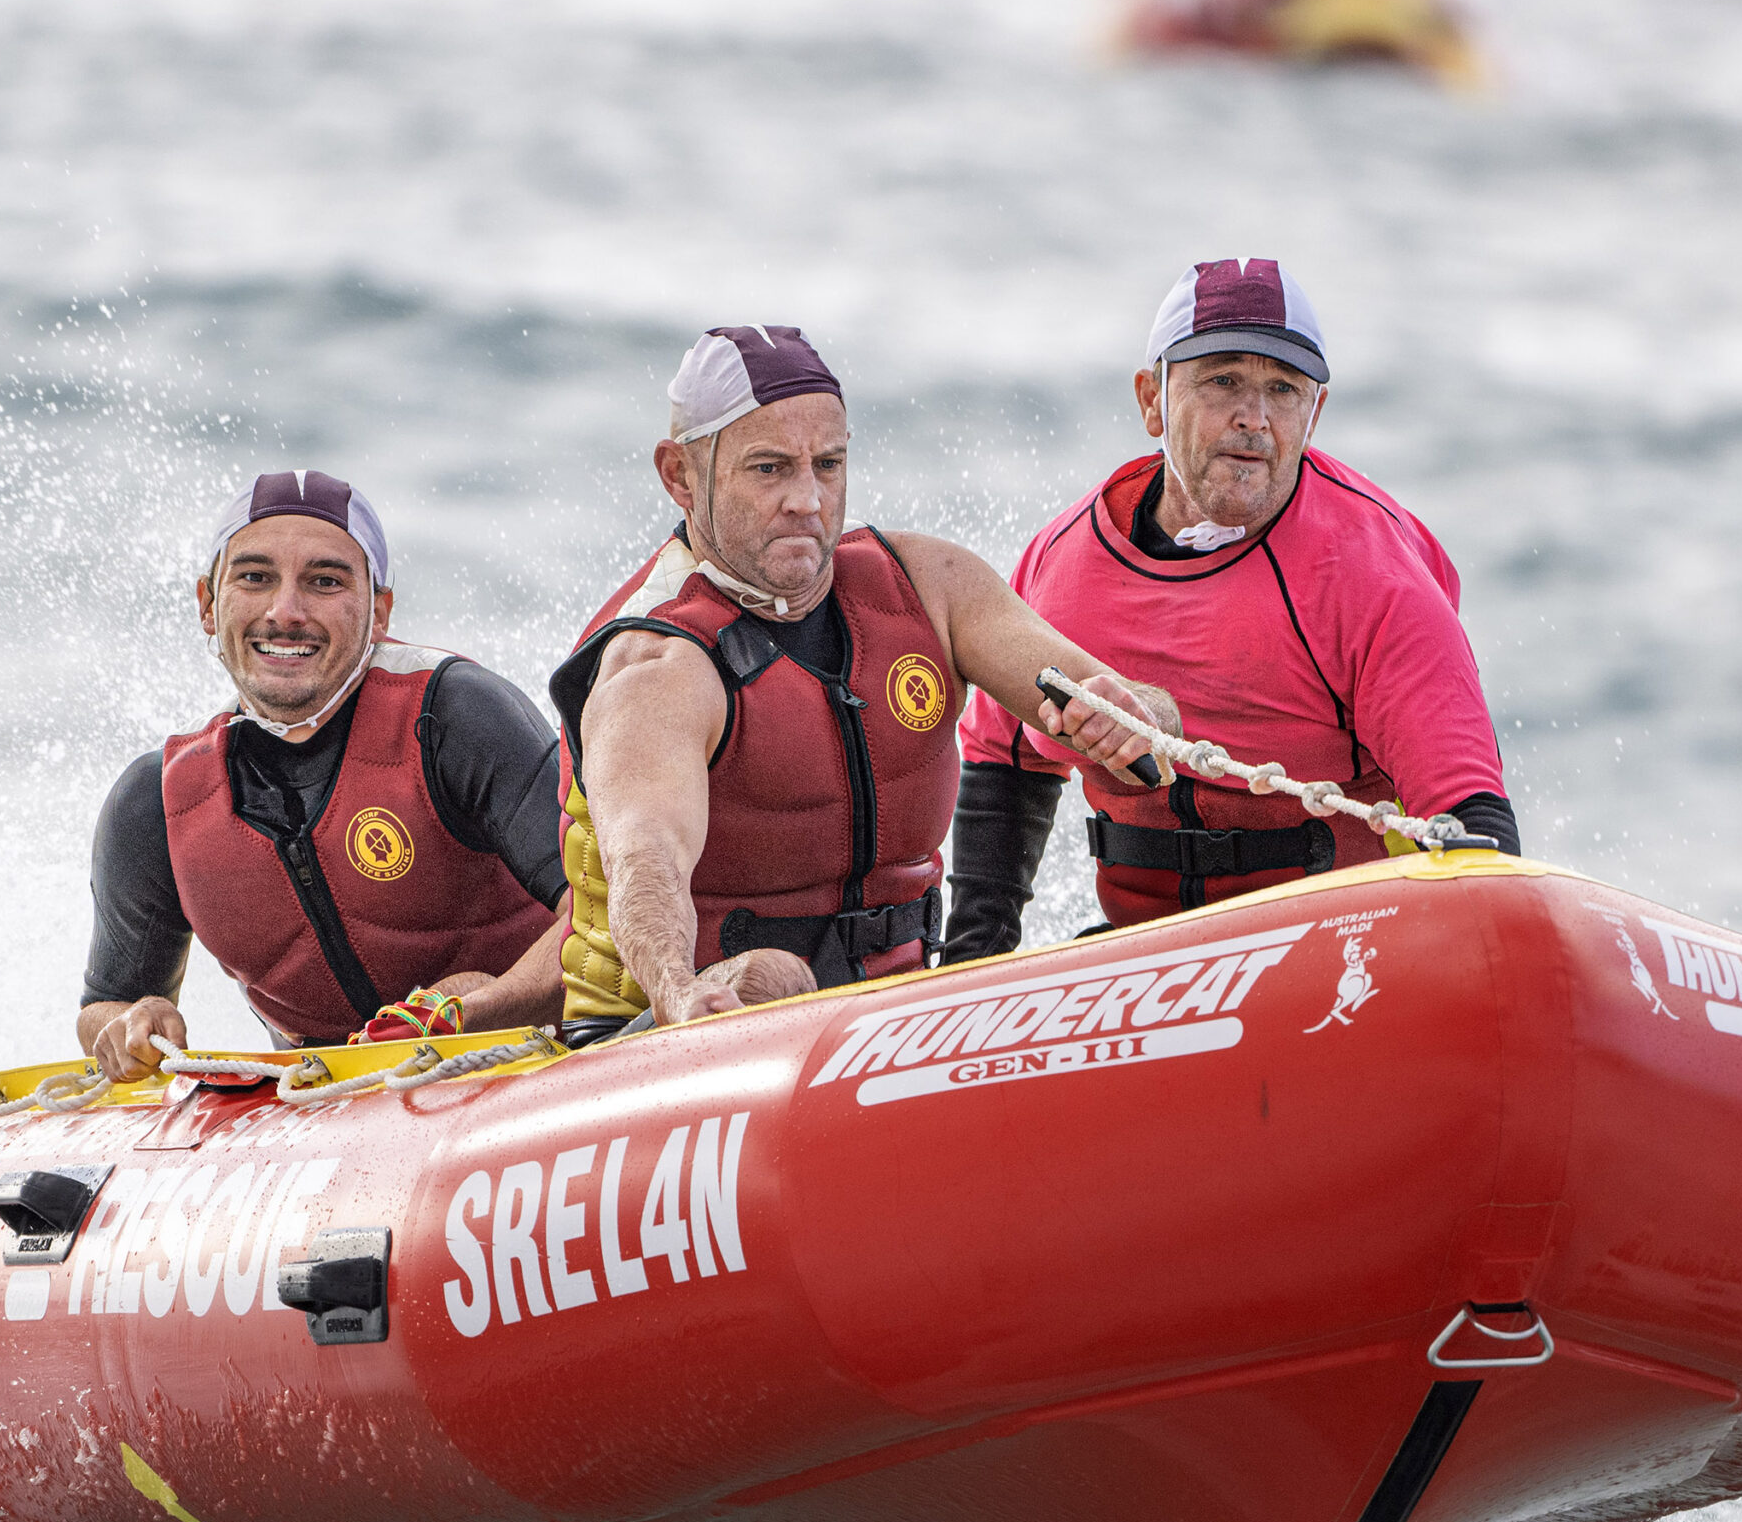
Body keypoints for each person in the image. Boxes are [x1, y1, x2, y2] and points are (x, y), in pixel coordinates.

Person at [549, 325, 1175, 1042]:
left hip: (882, 1023)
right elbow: (645, 861)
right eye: (769, 469)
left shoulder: (928, 588)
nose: (807, 500)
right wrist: (677, 992)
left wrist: (1137, 719)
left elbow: (1131, 709)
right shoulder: (656, 665)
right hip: (664, 1032)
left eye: (828, 464)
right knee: (771, 980)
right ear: (680, 476)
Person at [945, 258, 1517, 961]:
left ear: (1314, 415)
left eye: (1283, 389)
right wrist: (974, 955)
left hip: (1344, 950)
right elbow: (1000, 762)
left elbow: (1471, 816)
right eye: (1222, 381)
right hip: (1144, 949)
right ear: (1152, 399)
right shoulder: (1062, 568)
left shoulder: (1372, 574)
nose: (1254, 418)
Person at [78, 470, 567, 1080]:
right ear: (207, 605)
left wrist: (471, 1013)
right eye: (255, 578)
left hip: (536, 1061)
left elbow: (606, 911)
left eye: (325, 582)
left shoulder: (456, 717)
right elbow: (105, 1005)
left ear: (379, 612)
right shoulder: (157, 802)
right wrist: (131, 1022)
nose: (286, 612)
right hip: (319, 1101)